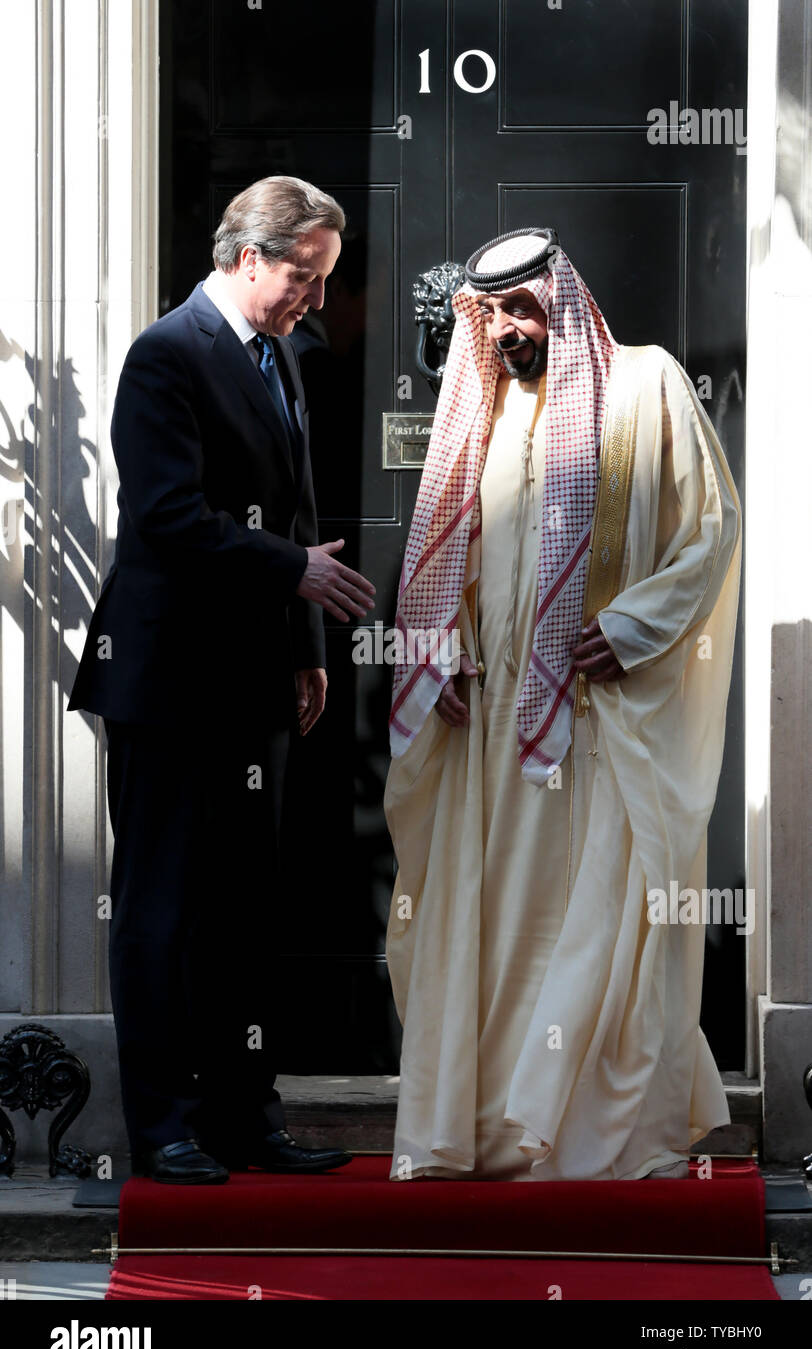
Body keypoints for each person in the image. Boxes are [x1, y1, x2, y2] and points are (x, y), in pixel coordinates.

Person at [384, 228, 741, 1182]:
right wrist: (440, 648)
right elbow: (447, 554)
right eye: (491, 313)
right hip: (493, 725)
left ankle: (585, 1137)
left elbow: (710, 529)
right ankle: (493, 1125)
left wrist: (632, 628)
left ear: (563, 301)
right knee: (498, 923)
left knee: (592, 924)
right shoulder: (485, 407)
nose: (507, 329)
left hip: (598, 714)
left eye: (523, 308)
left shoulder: (647, 385)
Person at [68, 175, 376, 1183]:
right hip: (167, 680)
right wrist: (295, 576)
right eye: (304, 276)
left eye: (323, 280)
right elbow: (167, 515)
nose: (315, 299)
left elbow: (296, 510)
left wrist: (305, 647)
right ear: (248, 257)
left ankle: (245, 1116)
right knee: (161, 908)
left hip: (256, 679)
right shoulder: (167, 353)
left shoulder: (279, 354)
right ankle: (163, 1128)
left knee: (245, 911)